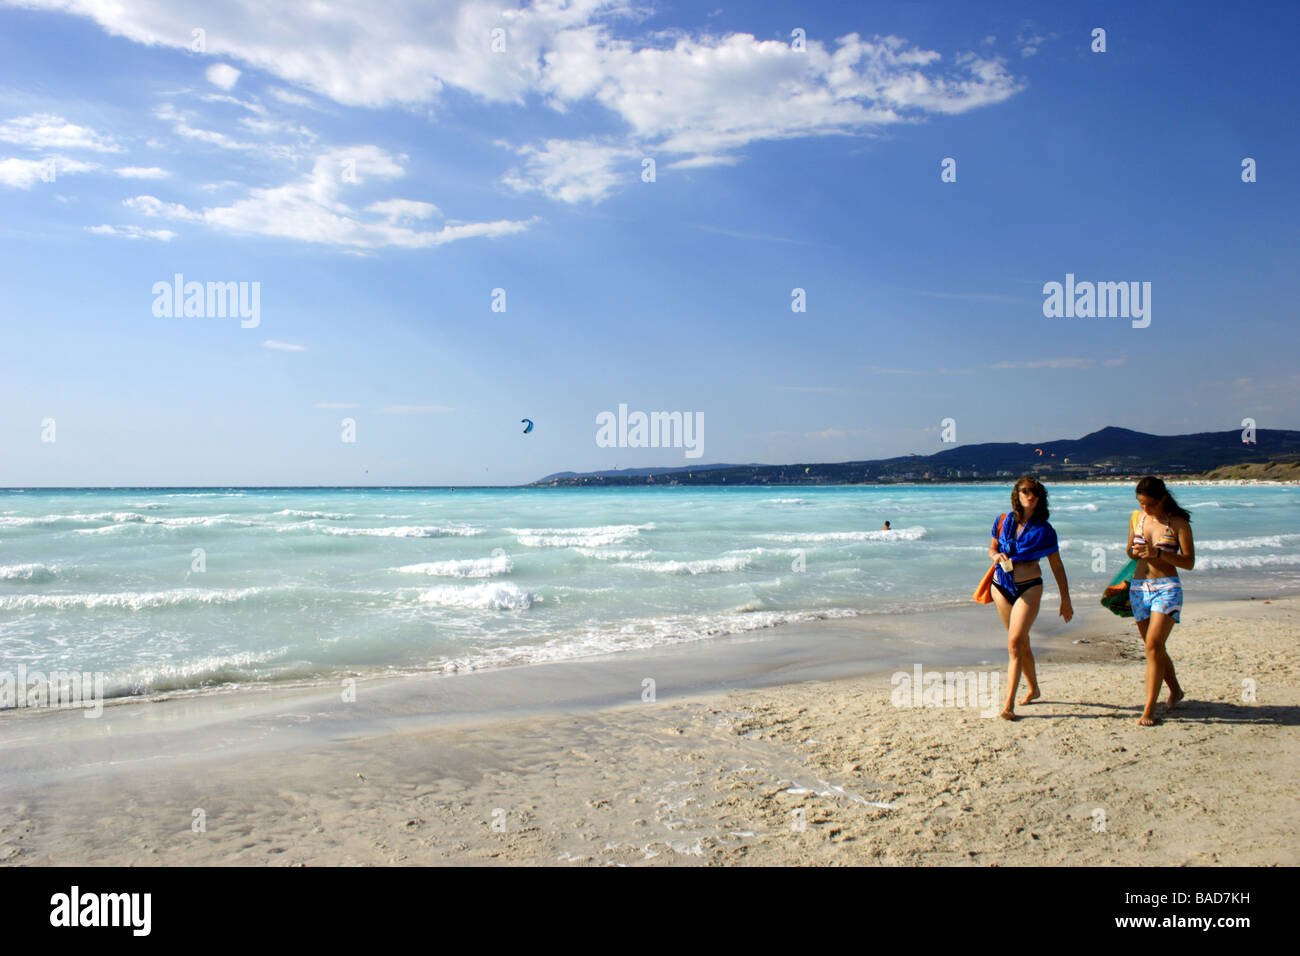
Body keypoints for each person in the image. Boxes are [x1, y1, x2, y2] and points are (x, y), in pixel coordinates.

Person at [988, 476, 1073, 719]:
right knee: (1021, 642)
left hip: (1029, 587)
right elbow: (992, 548)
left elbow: (1057, 566)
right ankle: (1034, 689)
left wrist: (1065, 599)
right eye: (1025, 491)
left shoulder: (1044, 531)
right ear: (1017, 494)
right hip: (1000, 586)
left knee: (1014, 642)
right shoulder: (1003, 520)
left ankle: (1008, 706)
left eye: (1034, 492)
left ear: (1040, 497)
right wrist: (995, 557)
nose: (1029, 495)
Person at [1127, 476, 1194, 726]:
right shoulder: (1137, 518)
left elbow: (1189, 561)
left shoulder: (1178, 523)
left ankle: (1148, 710)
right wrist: (1134, 551)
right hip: (1138, 588)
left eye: (1150, 505)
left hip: (1167, 588)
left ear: (1163, 498)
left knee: (1153, 646)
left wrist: (1159, 553)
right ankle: (1175, 690)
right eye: (1142, 503)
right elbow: (1128, 551)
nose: (1146, 509)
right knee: (1154, 649)